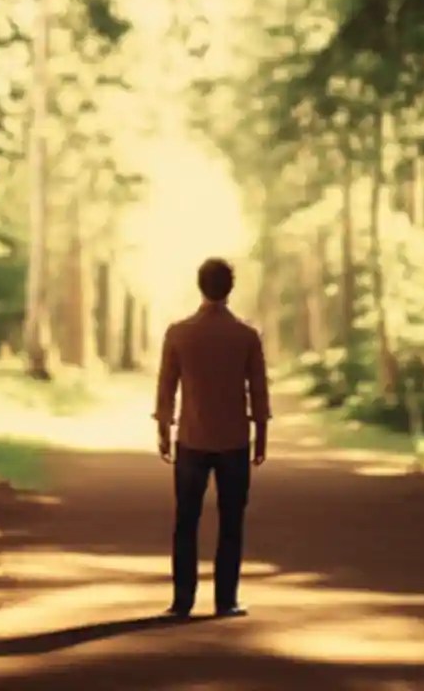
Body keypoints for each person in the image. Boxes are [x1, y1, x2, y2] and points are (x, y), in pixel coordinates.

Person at [153, 257, 270, 619]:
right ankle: (226, 600)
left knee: (185, 521)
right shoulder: (246, 335)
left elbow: (166, 385)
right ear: (229, 289)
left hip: (190, 439)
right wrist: (261, 435)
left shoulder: (179, 332)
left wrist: (163, 427)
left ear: (199, 285)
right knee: (231, 521)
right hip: (234, 440)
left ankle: (182, 601)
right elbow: (259, 391)